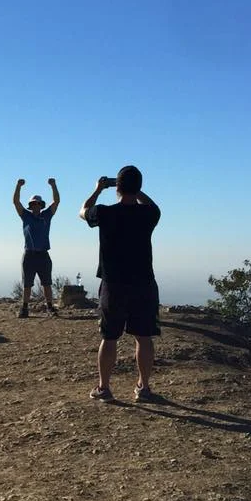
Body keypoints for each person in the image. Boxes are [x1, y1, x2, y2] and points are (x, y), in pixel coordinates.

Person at [79, 165, 161, 402]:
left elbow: (83, 211)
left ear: (118, 188)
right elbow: (153, 206)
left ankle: (104, 388)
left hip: (114, 284)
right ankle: (143, 388)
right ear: (139, 188)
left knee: (109, 336)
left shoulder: (105, 213)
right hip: (143, 283)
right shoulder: (148, 215)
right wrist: (134, 190)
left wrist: (98, 189)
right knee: (143, 337)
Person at [13, 177, 60, 318]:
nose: (35, 206)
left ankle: (50, 308)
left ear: (41, 205)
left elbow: (56, 201)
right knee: (27, 284)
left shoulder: (47, 215)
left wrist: (53, 185)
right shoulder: (25, 216)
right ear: (30, 206)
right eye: (33, 204)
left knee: (47, 283)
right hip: (29, 254)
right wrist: (18, 186)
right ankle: (24, 308)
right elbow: (15, 202)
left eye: (38, 204)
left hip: (43, 254)